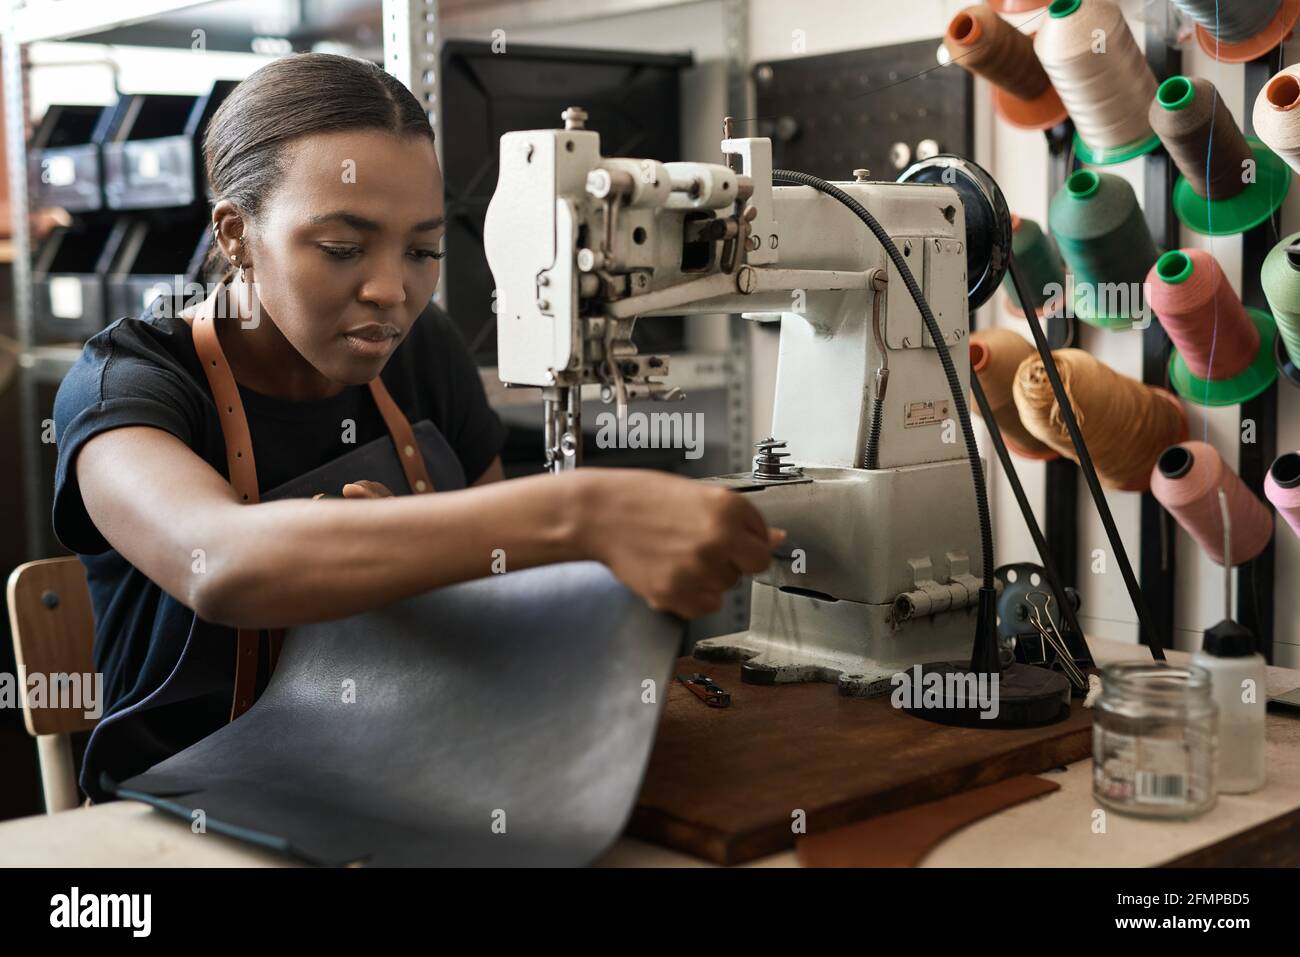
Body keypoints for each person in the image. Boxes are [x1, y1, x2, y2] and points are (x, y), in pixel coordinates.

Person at [51, 53, 782, 801]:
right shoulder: (129, 384)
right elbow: (222, 565)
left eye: (424, 250)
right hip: (184, 812)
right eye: (342, 248)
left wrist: (411, 557)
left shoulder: (420, 350)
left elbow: (507, 587)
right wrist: (584, 511)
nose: (391, 290)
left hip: (414, 771)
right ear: (236, 234)